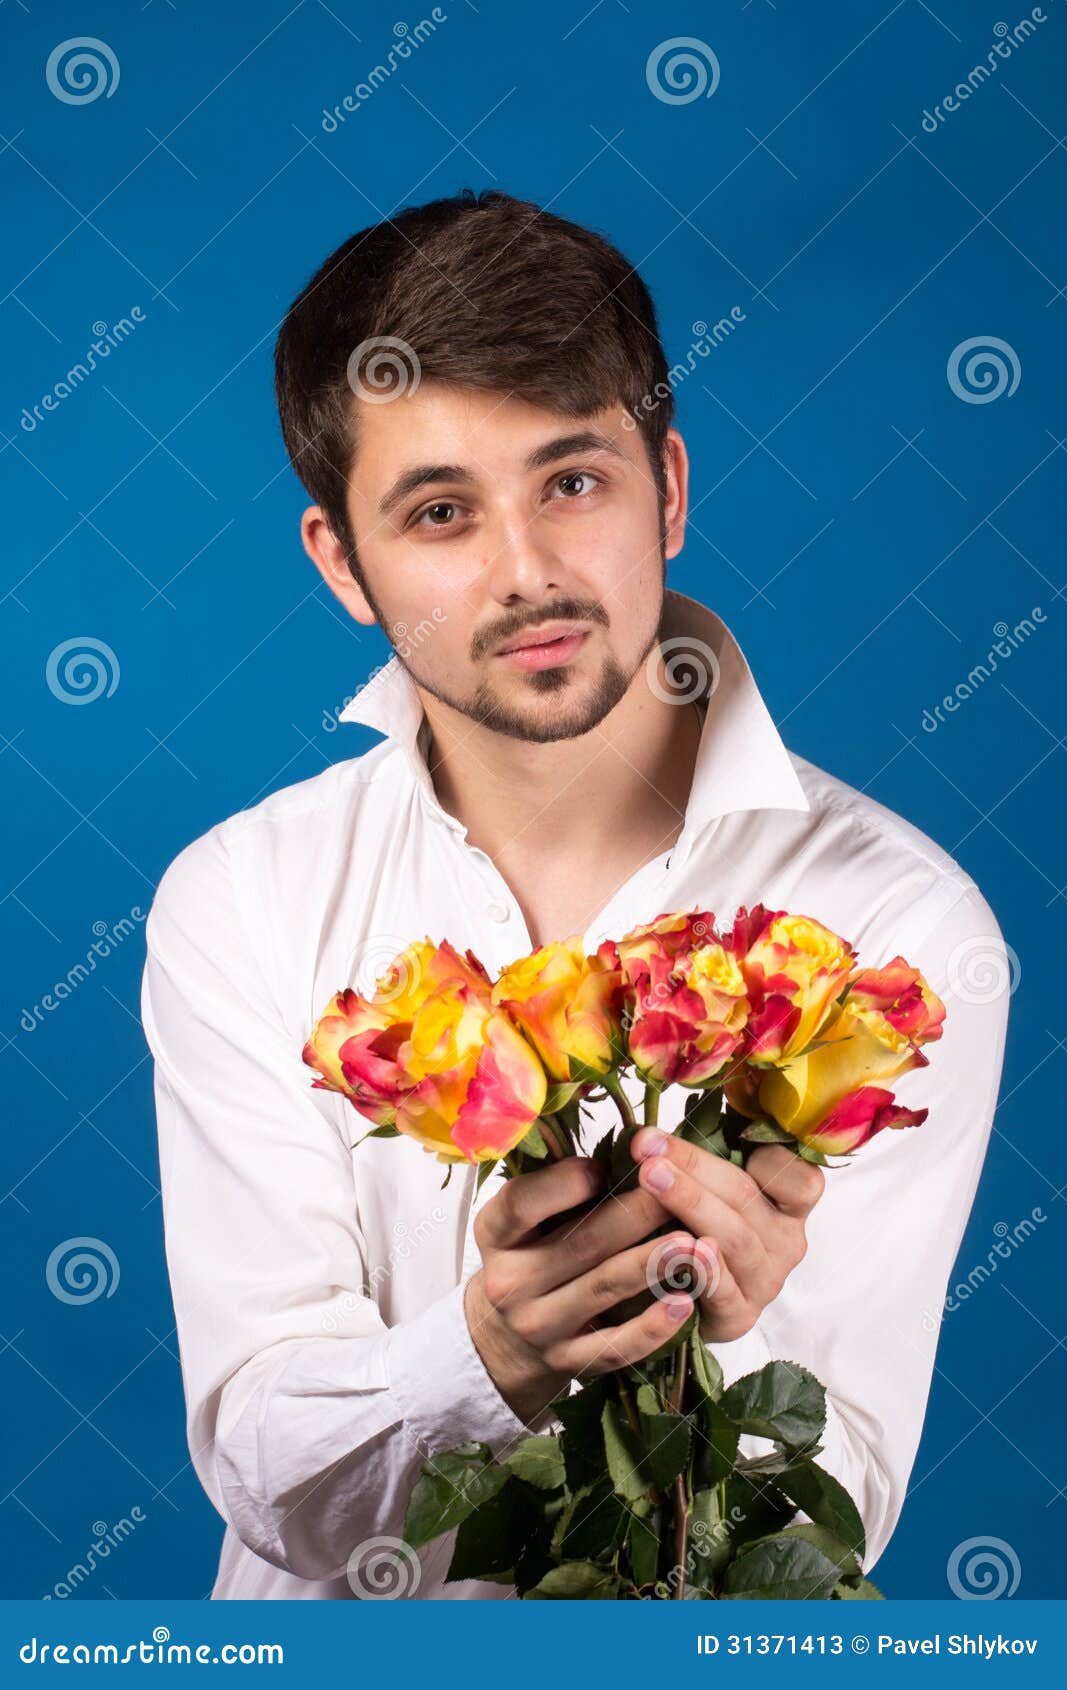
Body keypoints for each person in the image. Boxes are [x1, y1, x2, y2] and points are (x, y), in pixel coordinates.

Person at [140, 189, 1010, 1600]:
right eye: (440, 513)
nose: (527, 572)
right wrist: (486, 1354)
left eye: (574, 482)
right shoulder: (240, 899)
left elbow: (835, 1514)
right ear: (343, 564)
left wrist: (713, 1341)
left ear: (668, 486)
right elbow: (266, 1470)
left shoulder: (902, 928)